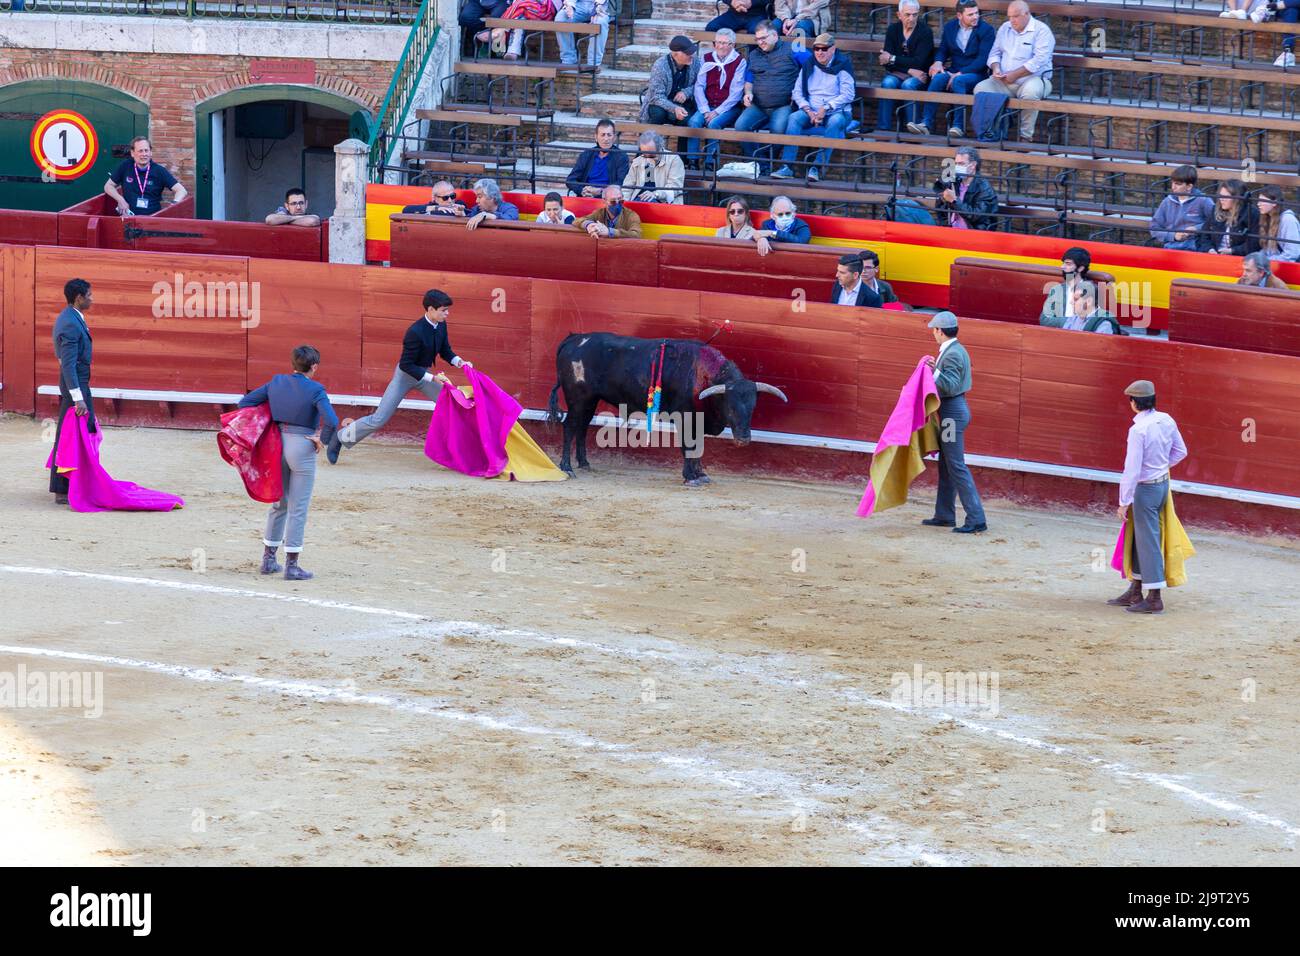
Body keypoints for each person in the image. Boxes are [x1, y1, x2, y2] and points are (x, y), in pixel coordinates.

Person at [327, 289, 472, 463]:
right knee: (379, 419)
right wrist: (432, 378)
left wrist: (460, 362)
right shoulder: (415, 332)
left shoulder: (441, 325)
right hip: (405, 376)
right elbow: (406, 365)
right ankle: (340, 438)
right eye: (444, 310)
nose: (447, 313)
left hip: (424, 375)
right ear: (431, 309)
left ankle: (454, 451)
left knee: (451, 405)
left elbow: (445, 350)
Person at [239, 346, 339, 581]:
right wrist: (320, 439)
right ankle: (292, 566)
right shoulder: (316, 389)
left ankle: (268, 560)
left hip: (277, 445)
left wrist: (269, 424)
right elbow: (333, 422)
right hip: (301, 447)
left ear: (293, 363)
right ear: (314, 367)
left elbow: (246, 402)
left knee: (279, 503)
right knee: (298, 508)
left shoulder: (276, 382)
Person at [1108, 379, 1188, 614]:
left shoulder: (1138, 430)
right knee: (1139, 537)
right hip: (1162, 485)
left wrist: (1123, 502)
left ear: (1133, 402)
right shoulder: (1167, 419)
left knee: (1149, 540)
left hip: (1145, 490)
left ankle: (1154, 597)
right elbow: (1181, 451)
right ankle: (1136, 589)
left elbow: (1131, 470)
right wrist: (1161, 467)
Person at [921, 311, 986, 534]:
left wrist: (933, 371)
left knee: (956, 465)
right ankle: (944, 514)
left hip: (951, 416)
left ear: (940, 330)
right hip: (951, 412)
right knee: (947, 465)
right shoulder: (954, 350)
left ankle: (976, 519)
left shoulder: (953, 354)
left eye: (934, 330)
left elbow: (949, 385)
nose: (933, 333)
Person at [774, 32, 855, 180]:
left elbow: (848, 95)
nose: (819, 52)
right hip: (810, 110)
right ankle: (787, 166)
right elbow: (797, 91)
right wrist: (808, 110)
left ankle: (816, 167)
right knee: (793, 118)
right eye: (816, 48)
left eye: (824, 49)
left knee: (836, 121)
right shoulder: (809, 63)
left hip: (836, 111)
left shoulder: (842, 65)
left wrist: (826, 108)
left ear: (833, 49)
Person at [910, 0, 995, 137]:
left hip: (976, 73)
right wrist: (938, 62)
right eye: (971, 14)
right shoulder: (950, 27)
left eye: (977, 13)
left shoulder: (987, 30)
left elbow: (983, 60)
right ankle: (926, 123)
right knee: (938, 78)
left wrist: (960, 73)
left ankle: (958, 127)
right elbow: (943, 49)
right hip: (954, 69)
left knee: (958, 81)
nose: (975, 17)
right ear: (959, 15)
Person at [973, 1, 1055, 141]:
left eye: (1015, 16)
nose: (1012, 20)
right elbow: (994, 53)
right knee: (980, 89)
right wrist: (996, 68)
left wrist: (1015, 74)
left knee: (1031, 93)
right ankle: (993, 131)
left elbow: (1039, 60)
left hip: (1034, 79)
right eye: (1009, 16)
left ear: (1027, 14)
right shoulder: (1005, 28)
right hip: (1003, 80)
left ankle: (1025, 136)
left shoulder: (1042, 30)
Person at [736, 22, 807, 174]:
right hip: (758, 105)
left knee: (779, 132)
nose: (760, 42)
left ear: (775, 35)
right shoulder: (754, 55)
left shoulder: (794, 49)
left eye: (763, 38)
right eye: (757, 39)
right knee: (740, 126)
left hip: (783, 105)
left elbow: (813, 65)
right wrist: (748, 93)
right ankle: (760, 163)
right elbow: (749, 81)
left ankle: (765, 163)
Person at [49, 278, 95, 506]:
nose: (92, 298)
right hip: (74, 385)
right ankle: (61, 489)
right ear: (79, 297)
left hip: (77, 382)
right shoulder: (70, 323)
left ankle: (71, 484)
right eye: (89, 295)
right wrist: (78, 398)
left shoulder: (72, 318)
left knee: (75, 434)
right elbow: (67, 364)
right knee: (69, 437)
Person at [686, 29, 747, 170]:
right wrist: (706, 109)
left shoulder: (739, 62)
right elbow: (699, 86)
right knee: (694, 121)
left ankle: (710, 163)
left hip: (728, 108)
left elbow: (736, 93)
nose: (720, 46)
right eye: (718, 42)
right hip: (707, 106)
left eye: (725, 43)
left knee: (714, 124)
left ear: (732, 44)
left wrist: (717, 112)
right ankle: (692, 162)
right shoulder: (706, 58)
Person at [877, 0, 935, 134]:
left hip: (921, 76)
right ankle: (883, 128)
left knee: (908, 85)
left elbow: (919, 63)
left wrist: (893, 59)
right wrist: (909, 69)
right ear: (899, 14)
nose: (911, 18)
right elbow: (886, 62)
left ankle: (913, 127)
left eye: (915, 15)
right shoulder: (893, 30)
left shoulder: (925, 32)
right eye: (908, 14)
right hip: (898, 74)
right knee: (888, 82)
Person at [104, 136, 187, 216]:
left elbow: (181, 190)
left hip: (152, 220)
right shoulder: (125, 166)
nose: (144, 154)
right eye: (140, 151)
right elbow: (108, 186)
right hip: (129, 217)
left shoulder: (159, 171)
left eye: (146, 150)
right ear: (132, 153)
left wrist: (173, 204)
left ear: (151, 152)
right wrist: (120, 200)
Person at [1149, 165, 1214, 251]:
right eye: (1172, 183)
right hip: (1170, 248)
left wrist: (1196, 229)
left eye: (1178, 184)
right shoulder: (1167, 202)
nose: (1173, 187)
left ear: (1189, 186)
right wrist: (1173, 236)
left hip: (1196, 249)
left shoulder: (1204, 200)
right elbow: (1154, 227)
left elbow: (1216, 222)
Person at [641, 36, 702, 126]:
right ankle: (652, 139)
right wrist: (674, 108)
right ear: (675, 54)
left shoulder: (695, 61)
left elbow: (700, 84)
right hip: (660, 104)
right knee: (658, 114)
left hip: (684, 104)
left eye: (692, 52)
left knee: (686, 118)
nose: (692, 55)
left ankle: (682, 140)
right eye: (688, 53)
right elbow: (656, 97)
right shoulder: (660, 66)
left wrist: (686, 92)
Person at [933, 145, 998, 230]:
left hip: (973, 233)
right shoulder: (955, 182)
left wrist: (954, 200)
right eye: (956, 163)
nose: (957, 167)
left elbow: (977, 217)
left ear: (973, 165)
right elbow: (940, 210)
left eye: (961, 164)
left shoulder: (984, 188)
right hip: (951, 230)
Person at [566, 118, 630, 197]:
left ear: (614, 137)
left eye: (609, 135)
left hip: (608, 199)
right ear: (596, 137)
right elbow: (571, 180)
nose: (606, 139)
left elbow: (621, 182)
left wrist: (601, 191)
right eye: (602, 135)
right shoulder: (586, 155)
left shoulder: (621, 157)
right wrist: (582, 190)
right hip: (586, 196)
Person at [624, 131, 686, 204]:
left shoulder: (674, 160)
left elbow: (674, 188)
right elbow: (627, 186)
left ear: (660, 148)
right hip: (639, 200)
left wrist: (655, 194)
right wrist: (624, 205)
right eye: (644, 155)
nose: (647, 159)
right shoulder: (639, 160)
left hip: (662, 202)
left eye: (651, 155)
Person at [1203, 179, 1259, 257]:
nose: (1221, 199)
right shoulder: (1215, 209)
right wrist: (1209, 249)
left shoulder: (1251, 213)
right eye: (1221, 195)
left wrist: (1232, 251)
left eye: (1226, 196)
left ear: (1237, 199)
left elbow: (1254, 244)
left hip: (1239, 258)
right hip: (1214, 256)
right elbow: (1203, 236)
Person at [1039, 246, 1091, 326]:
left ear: (1080, 268)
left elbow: (1090, 322)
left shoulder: (1092, 290)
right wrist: (1070, 321)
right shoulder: (1056, 290)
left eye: (1068, 264)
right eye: (1063, 263)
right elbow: (1044, 319)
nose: (1062, 267)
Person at [493, 0, 557, 60]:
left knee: (520, 6)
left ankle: (502, 31)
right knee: (520, 14)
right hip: (525, 9)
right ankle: (512, 51)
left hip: (545, 9)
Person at [556, 0, 610, 68]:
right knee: (561, 19)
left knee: (600, 22)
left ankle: (593, 64)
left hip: (602, 5)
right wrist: (570, 5)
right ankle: (568, 59)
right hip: (579, 4)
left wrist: (597, 7)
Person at [576, 184, 644, 237]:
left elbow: (637, 234)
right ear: (604, 201)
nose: (617, 204)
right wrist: (589, 225)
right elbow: (577, 221)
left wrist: (610, 232)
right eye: (613, 202)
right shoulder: (600, 213)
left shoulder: (631, 215)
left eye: (620, 201)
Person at [1256, 184, 1300, 263]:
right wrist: (1257, 258)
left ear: (1274, 203)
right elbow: (1268, 250)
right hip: (1274, 263)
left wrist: (1266, 261)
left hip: (1287, 267)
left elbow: (1292, 253)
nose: (1258, 204)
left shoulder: (1288, 220)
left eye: (1262, 201)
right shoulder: (1267, 218)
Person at [401, 181, 467, 216]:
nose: (450, 200)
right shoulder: (431, 206)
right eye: (445, 198)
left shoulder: (459, 204)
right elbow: (406, 210)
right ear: (435, 198)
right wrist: (436, 208)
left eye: (452, 196)